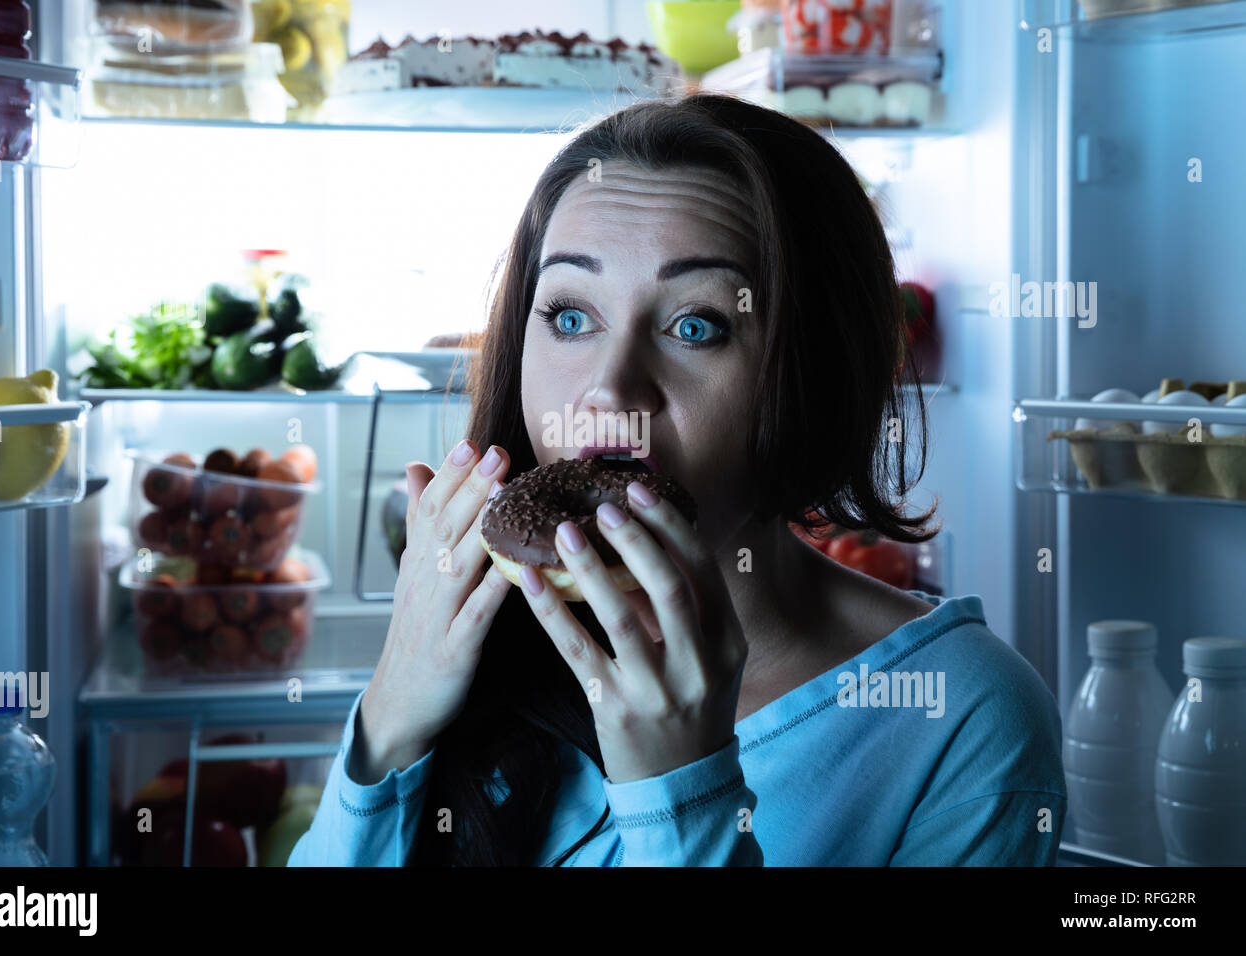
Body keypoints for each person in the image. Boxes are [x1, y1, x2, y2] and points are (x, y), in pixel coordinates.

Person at [289, 93, 1067, 867]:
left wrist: (681, 798)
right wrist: (392, 715)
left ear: (817, 374)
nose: (611, 388)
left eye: (696, 325)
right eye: (568, 315)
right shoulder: (468, 646)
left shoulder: (964, 717)